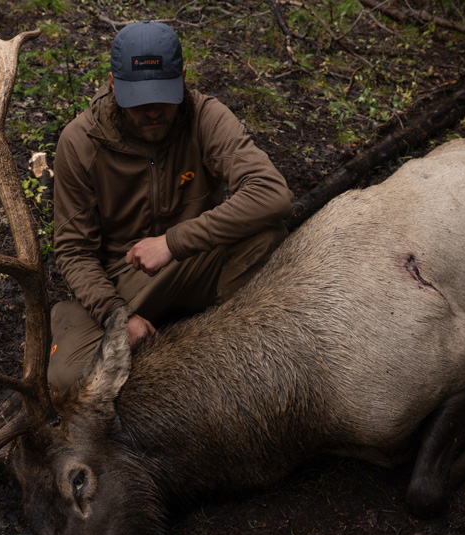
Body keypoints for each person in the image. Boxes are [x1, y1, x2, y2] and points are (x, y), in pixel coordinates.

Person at [48, 20, 293, 391]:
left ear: (182, 76)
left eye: (163, 96)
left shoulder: (204, 116)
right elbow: (73, 250)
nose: (153, 112)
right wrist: (118, 316)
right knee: (68, 380)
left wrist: (172, 242)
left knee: (265, 234)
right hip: (125, 283)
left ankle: (220, 339)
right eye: (139, 101)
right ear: (114, 85)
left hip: (194, 263)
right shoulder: (80, 142)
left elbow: (272, 193)